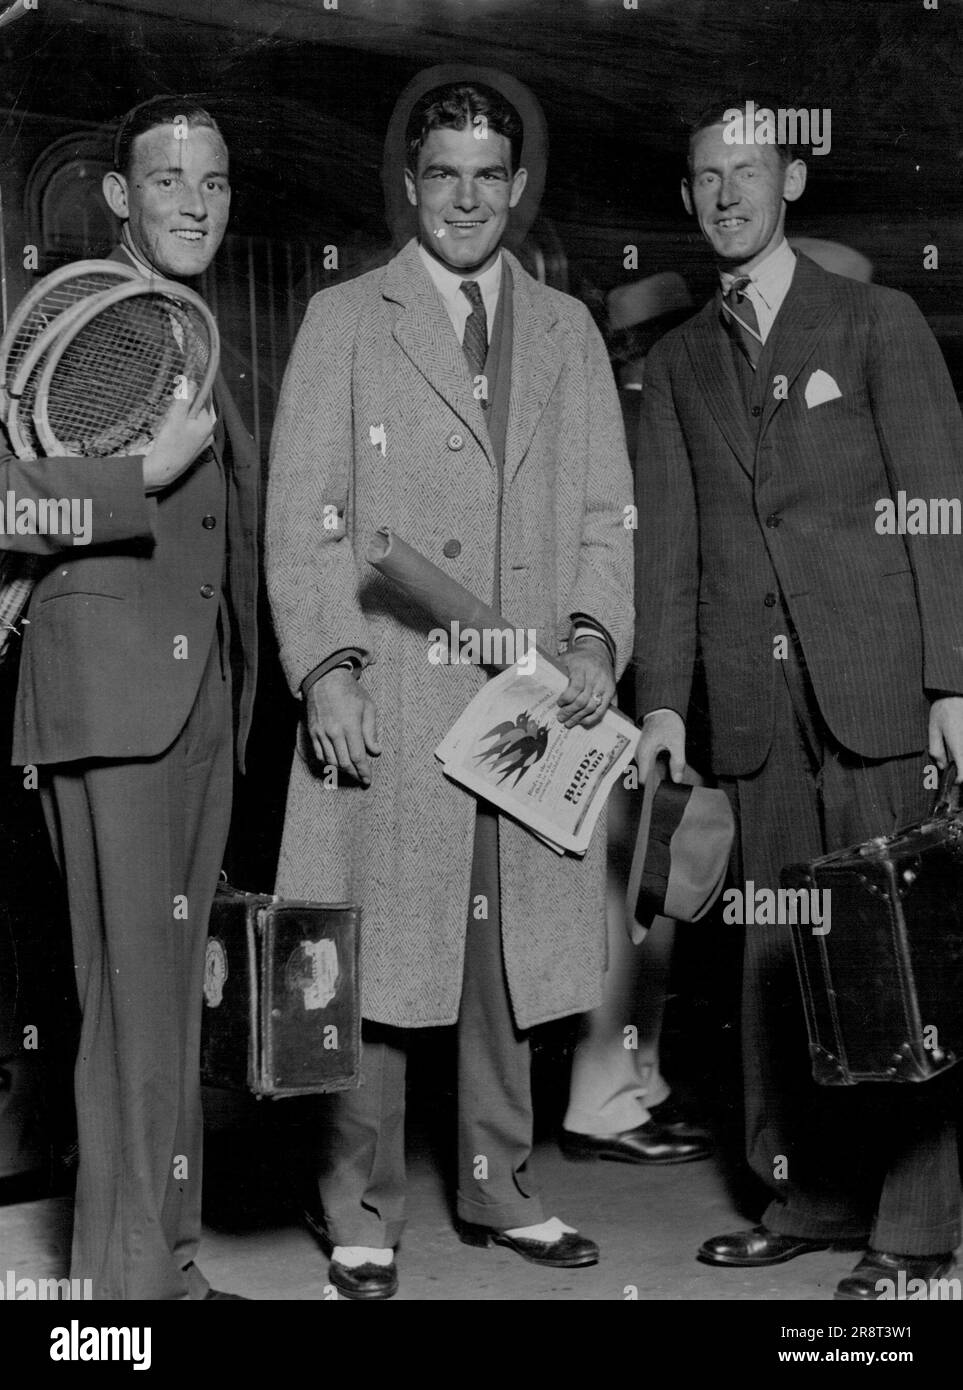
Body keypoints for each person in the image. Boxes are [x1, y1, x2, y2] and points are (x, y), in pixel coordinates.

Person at [267, 76, 634, 1300]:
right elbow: (304, 525)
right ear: (410, 183)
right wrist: (326, 667)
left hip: (522, 696)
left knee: (505, 953)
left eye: (490, 174)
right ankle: (361, 1207)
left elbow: (602, 519)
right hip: (391, 689)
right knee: (374, 957)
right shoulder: (344, 319)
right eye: (443, 174)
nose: (467, 198)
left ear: (519, 186)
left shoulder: (571, 331)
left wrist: (592, 637)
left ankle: (502, 1185)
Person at [634, 98, 962, 1301]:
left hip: (879, 688)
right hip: (754, 709)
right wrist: (665, 705)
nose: (728, 194)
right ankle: (805, 1196)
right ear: (687, 196)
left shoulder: (877, 320)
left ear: (795, 180)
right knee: (781, 961)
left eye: (751, 172)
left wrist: (954, 684)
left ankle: (918, 1230)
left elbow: (941, 503)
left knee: (895, 958)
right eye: (707, 176)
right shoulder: (672, 364)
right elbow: (667, 548)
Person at [2, 95, 259, 1299]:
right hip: (108, 702)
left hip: (199, 703)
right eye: (169, 182)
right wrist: (133, 475)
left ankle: (170, 1261)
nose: (196, 203)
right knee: (129, 999)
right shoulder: (66, 318)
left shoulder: (191, 330)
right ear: (120, 197)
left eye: (213, 182)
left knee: (167, 996)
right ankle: (124, 1298)